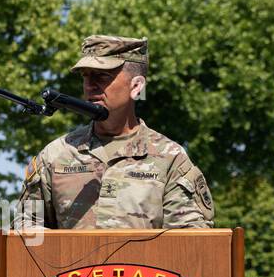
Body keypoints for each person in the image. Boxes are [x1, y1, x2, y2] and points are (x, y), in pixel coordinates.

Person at [15, 35, 214, 230]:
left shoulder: (170, 158)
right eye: (86, 76)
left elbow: (191, 241)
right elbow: (26, 229)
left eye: (102, 76)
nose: (90, 85)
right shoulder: (56, 155)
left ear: (136, 86)